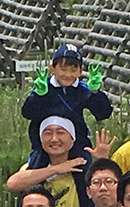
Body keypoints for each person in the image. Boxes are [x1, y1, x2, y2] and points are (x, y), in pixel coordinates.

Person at [23, 43, 112, 171]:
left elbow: (103, 113)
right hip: (45, 144)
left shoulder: (83, 90)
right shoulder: (44, 87)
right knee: (36, 175)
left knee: (83, 176)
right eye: (63, 69)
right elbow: (27, 113)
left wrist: (95, 93)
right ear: (52, 68)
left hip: (76, 144)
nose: (68, 74)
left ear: (80, 71)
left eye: (73, 70)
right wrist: (39, 95)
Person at [5, 118, 106, 207]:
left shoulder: (83, 170)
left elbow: (107, 193)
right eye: (48, 132)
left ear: (72, 139)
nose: (54, 139)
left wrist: (102, 161)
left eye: (60, 132)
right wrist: (56, 169)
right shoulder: (31, 168)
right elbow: (12, 184)